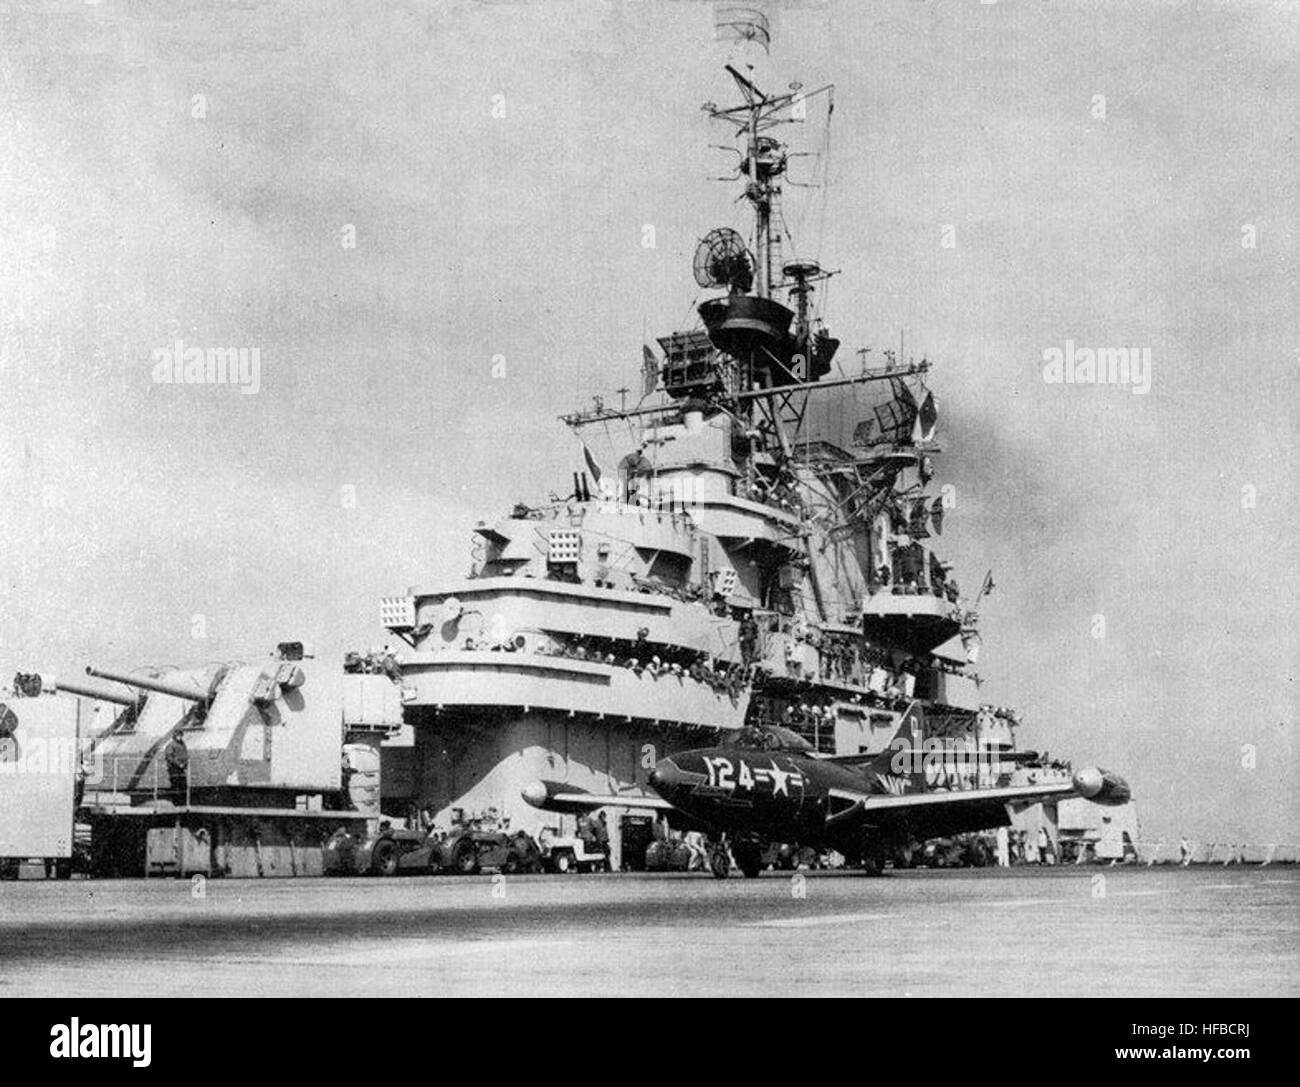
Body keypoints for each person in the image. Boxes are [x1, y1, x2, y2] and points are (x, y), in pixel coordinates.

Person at [163, 732, 189, 799]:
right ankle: (175, 800)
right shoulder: (171, 745)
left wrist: (185, 763)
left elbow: (185, 754)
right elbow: (169, 757)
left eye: (180, 735)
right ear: (175, 736)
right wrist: (178, 763)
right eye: (178, 735)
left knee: (183, 783)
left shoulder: (182, 744)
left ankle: (182, 800)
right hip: (173, 767)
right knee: (175, 783)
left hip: (181, 767)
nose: (179, 737)